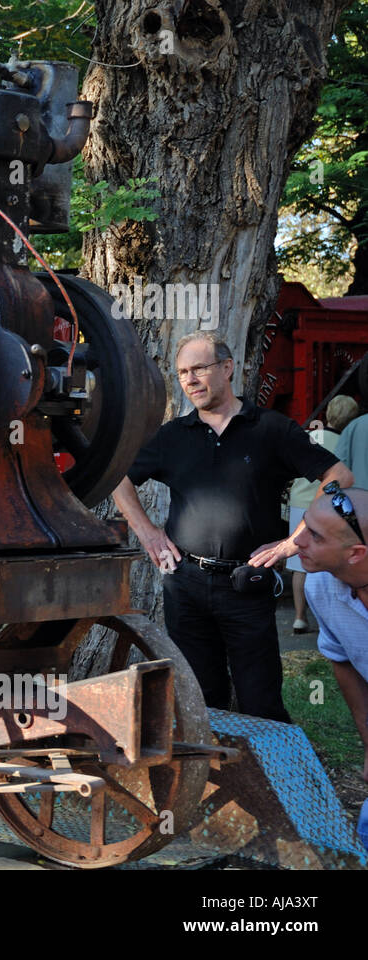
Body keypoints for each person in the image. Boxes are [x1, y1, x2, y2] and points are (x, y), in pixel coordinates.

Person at [112, 332, 353, 721]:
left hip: (247, 583)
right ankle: (211, 779)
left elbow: (338, 476)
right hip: (185, 585)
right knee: (198, 702)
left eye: (199, 369)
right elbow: (118, 476)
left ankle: (273, 777)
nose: (190, 380)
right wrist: (147, 532)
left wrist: (296, 539)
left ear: (227, 369)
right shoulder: (172, 436)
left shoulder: (271, 429)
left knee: (261, 701)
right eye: (182, 372)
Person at [290, 484, 368, 849]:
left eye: (314, 536)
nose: (297, 540)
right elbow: (344, 664)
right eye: (303, 525)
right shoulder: (320, 586)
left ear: (355, 554)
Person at [290, 395, 359, 632]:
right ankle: (327, 620)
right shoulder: (346, 443)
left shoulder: (312, 435)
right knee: (327, 564)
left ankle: (299, 617)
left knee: (299, 564)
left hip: (299, 502)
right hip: (326, 508)